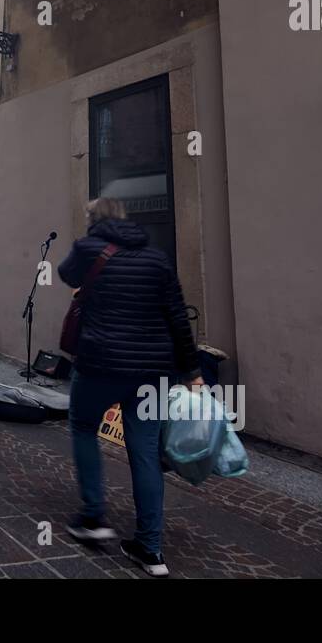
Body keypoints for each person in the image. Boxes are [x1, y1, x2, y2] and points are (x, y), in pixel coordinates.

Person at [57, 196, 201, 577]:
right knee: (145, 451)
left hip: (101, 365)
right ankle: (150, 549)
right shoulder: (157, 259)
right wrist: (192, 371)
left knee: (84, 427)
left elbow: (66, 275)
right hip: (153, 372)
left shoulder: (87, 249)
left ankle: (93, 517)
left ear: (93, 220)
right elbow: (177, 318)